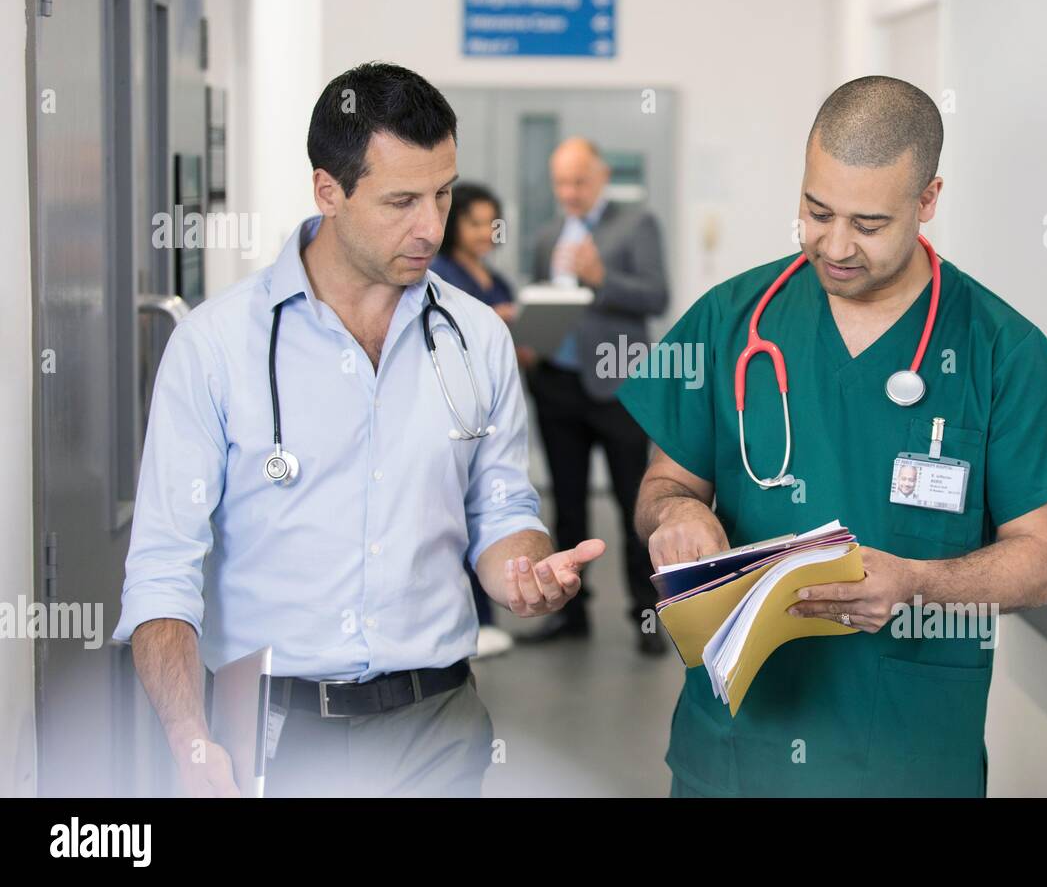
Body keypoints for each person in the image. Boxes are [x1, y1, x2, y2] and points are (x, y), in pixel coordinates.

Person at [618, 76, 1047, 797]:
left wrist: (918, 582)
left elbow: (1041, 565)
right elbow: (664, 485)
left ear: (927, 201)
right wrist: (677, 513)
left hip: (910, 760)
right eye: (815, 211)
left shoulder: (1000, 350)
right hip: (733, 758)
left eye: (868, 223)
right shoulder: (731, 320)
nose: (834, 244)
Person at [112, 62, 604, 798]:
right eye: (401, 201)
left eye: (442, 194)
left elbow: (500, 510)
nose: (432, 227)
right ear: (328, 191)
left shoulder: (476, 336)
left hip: (438, 720)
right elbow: (162, 573)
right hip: (270, 728)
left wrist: (526, 571)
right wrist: (190, 741)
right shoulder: (216, 346)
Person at [521, 137, 669, 654]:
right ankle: (570, 616)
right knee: (567, 501)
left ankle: (647, 615)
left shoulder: (636, 224)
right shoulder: (545, 237)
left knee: (636, 502)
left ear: (602, 177)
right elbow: (544, 301)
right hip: (556, 384)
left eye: (579, 181)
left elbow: (656, 295)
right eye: (562, 181)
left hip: (618, 387)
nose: (570, 191)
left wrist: (602, 279)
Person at [432, 181, 518, 659]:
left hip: (490, 406)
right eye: (474, 221)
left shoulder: (494, 278)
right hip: (457, 409)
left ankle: (485, 617)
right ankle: (473, 621)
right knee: (458, 507)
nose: (486, 231)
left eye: (492, 221)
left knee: (493, 500)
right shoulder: (441, 277)